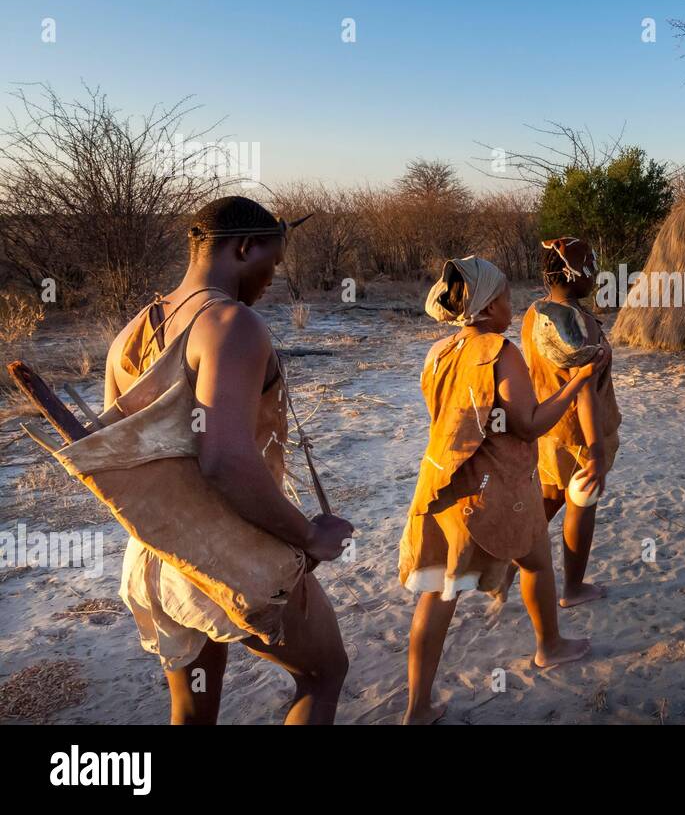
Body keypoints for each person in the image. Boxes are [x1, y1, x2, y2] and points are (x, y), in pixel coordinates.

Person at [106, 195, 354, 725]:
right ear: (245, 248)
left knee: (192, 712)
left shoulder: (131, 332)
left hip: (155, 556)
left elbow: (112, 458)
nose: (271, 280)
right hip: (229, 554)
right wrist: (307, 536)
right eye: (273, 263)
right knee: (322, 674)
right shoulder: (229, 323)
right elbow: (224, 460)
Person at [400, 256, 604, 725]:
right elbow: (529, 425)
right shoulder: (500, 351)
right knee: (536, 562)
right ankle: (549, 646)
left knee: (438, 590)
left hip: (444, 483)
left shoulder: (440, 351)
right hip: (498, 488)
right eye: (508, 296)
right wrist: (577, 382)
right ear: (490, 305)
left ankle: (417, 706)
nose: (513, 305)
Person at [520, 237, 620, 608]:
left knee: (547, 497)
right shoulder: (580, 325)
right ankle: (573, 588)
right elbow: (585, 393)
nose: (595, 270)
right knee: (581, 501)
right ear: (573, 273)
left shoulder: (534, 312)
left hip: (545, 426)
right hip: (579, 432)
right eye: (591, 263)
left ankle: (506, 565)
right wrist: (595, 451)